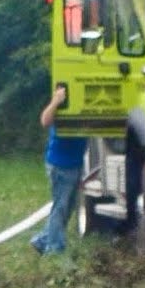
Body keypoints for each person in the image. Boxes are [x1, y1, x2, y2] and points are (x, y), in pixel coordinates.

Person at [30, 85, 86, 255]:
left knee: (67, 207)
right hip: (60, 164)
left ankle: (43, 239)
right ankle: (54, 248)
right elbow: (45, 121)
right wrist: (55, 102)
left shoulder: (84, 108)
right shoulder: (62, 106)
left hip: (75, 163)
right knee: (60, 207)